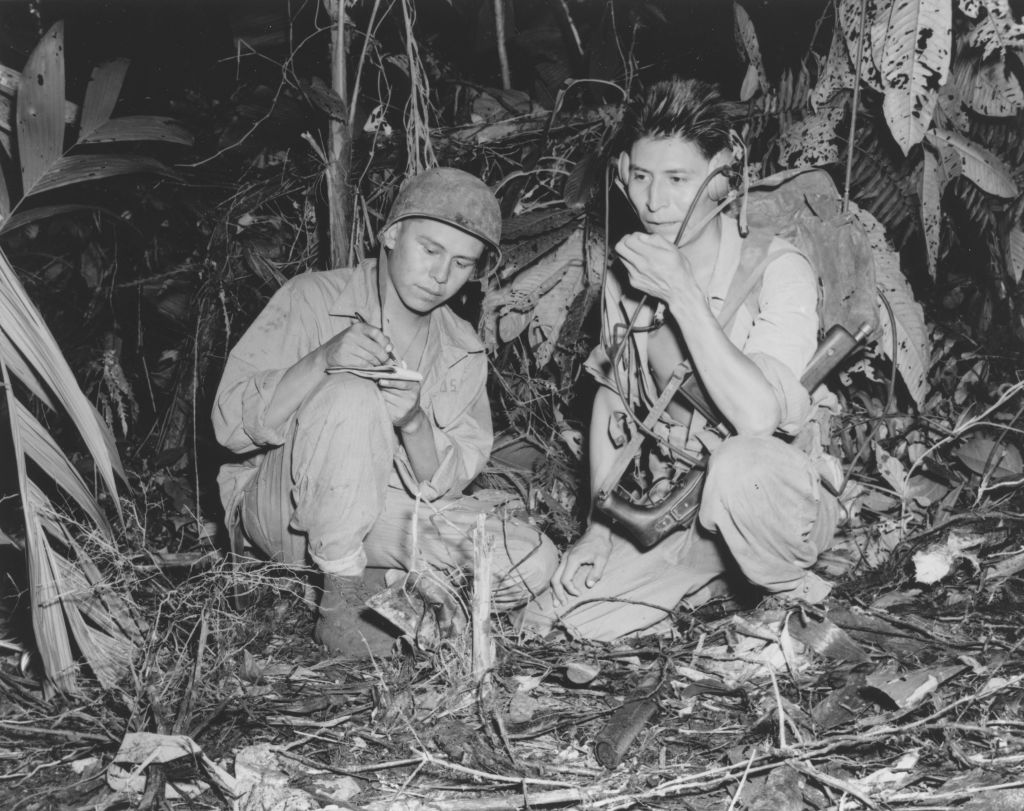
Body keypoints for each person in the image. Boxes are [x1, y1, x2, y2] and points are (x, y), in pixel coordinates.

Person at [521, 78, 841, 642]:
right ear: (621, 172)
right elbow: (614, 399)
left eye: (678, 180)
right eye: (641, 177)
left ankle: (790, 595)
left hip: (774, 503)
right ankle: (718, 580)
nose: (654, 201)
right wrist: (598, 528)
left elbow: (760, 419)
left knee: (742, 465)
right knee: (569, 622)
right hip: (680, 502)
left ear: (722, 178)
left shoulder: (776, 269)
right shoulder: (629, 277)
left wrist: (685, 297)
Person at [213, 167, 558, 658]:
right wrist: (322, 359)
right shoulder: (311, 298)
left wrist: (414, 422)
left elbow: (450, 483)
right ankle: (341, 603)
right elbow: (229, 428)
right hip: (284, 509)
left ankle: (394, 587)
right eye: (431, 250)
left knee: (531, 558)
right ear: (393, 233)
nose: (441, 275)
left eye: (462, 263)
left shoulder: (462, 348)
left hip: (381, 516)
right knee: (352, 393)